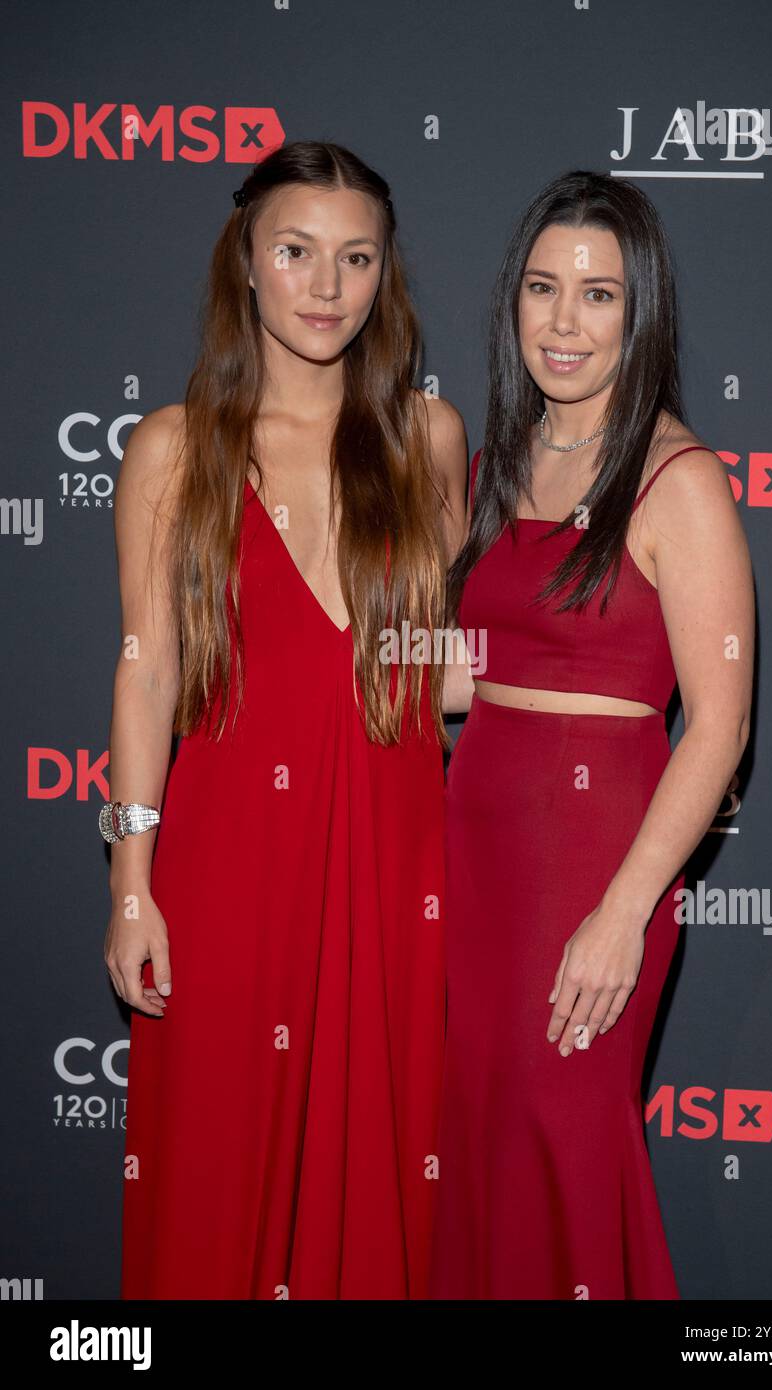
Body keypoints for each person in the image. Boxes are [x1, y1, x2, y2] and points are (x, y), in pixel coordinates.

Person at [103, 141, 467, 1299]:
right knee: (217, 1174)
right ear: (246, 264)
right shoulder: (173, 447)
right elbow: (148, 673)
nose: (325, 286)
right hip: (226, 866)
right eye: (297, 252)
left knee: (381, 1177)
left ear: (382, 277)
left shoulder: (428, 440)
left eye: (354, 258)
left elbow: (431, 663)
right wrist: (131, 884)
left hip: (387, 856)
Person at [430, 170, 754, 1300]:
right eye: (540, 287)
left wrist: (622, 913)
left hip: (596, 857)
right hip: (474, 848)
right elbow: (475, 673)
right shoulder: (492, 470)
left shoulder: (678, 479)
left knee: (560, 1134)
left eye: (598, 294)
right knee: (471, 1134)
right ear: (509, 301)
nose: (562, 322)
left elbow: (716, 725)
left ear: (641, 310)